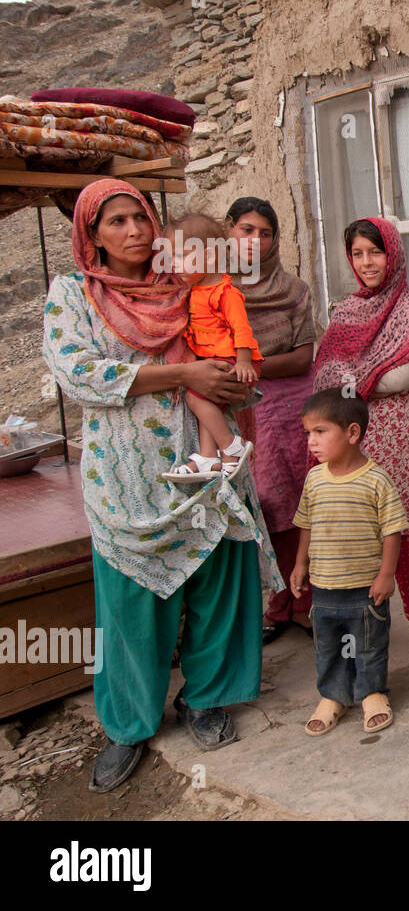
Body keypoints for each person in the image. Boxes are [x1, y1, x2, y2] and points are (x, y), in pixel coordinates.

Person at [42, 179, 280, 793]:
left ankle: (206, 698)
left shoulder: (186, 282)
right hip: (126, 478)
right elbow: (82, 373)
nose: (135, 231)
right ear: (91, 235)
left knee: (218, 583)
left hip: (206, 465)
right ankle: (127, 724)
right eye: (116, 222)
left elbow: (231, 343)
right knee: (130, 606)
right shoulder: (74, 295)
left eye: (141, 217)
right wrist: (180, 372)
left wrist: (228, 381)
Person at [312, 217, 409, 666]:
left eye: (376, 252)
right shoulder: (345, 313)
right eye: (357, 254)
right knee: (357, 541)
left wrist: (348, 376)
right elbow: (323, 375)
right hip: (354, 448)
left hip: (403, 448)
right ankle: (365, 629)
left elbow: (398, 378)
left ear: (393, 254)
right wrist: (361, 376)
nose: (367, 262)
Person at [221, 197, 318, 645]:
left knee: (302, 503)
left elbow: (303, 356)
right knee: (264, 505)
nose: (255, 240)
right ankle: (278, 603)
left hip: (291, 407)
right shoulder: (215, 290)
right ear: (228, 232)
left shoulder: (294, 290)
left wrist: (248, 367)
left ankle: (307, 603)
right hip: (239, 408)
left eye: (265, 232)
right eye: (246, 229)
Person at [289, 388, 408, 735]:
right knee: (328, 647)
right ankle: (333, 696)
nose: (311, 441)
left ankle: (372, 693)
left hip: (365, 589)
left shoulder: (376, 481)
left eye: (320, 431)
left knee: (369, 644)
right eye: (308, 433)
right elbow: (306, 524)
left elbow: (393, 531)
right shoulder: (314, 479)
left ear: (352, 433)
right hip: (325, 588)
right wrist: (300, 564)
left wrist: (387, 575)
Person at [161, 213, 259, 482]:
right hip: (212, 356)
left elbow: (242, 328)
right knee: (207, 401)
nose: (174, 265)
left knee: (195, 397)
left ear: (211, 256)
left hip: (230, 357)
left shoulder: (226, 292)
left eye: (181, 256)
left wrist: (243, 361)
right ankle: (209, 457)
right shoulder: (195, 291)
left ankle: (231, 446)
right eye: (172, 258)